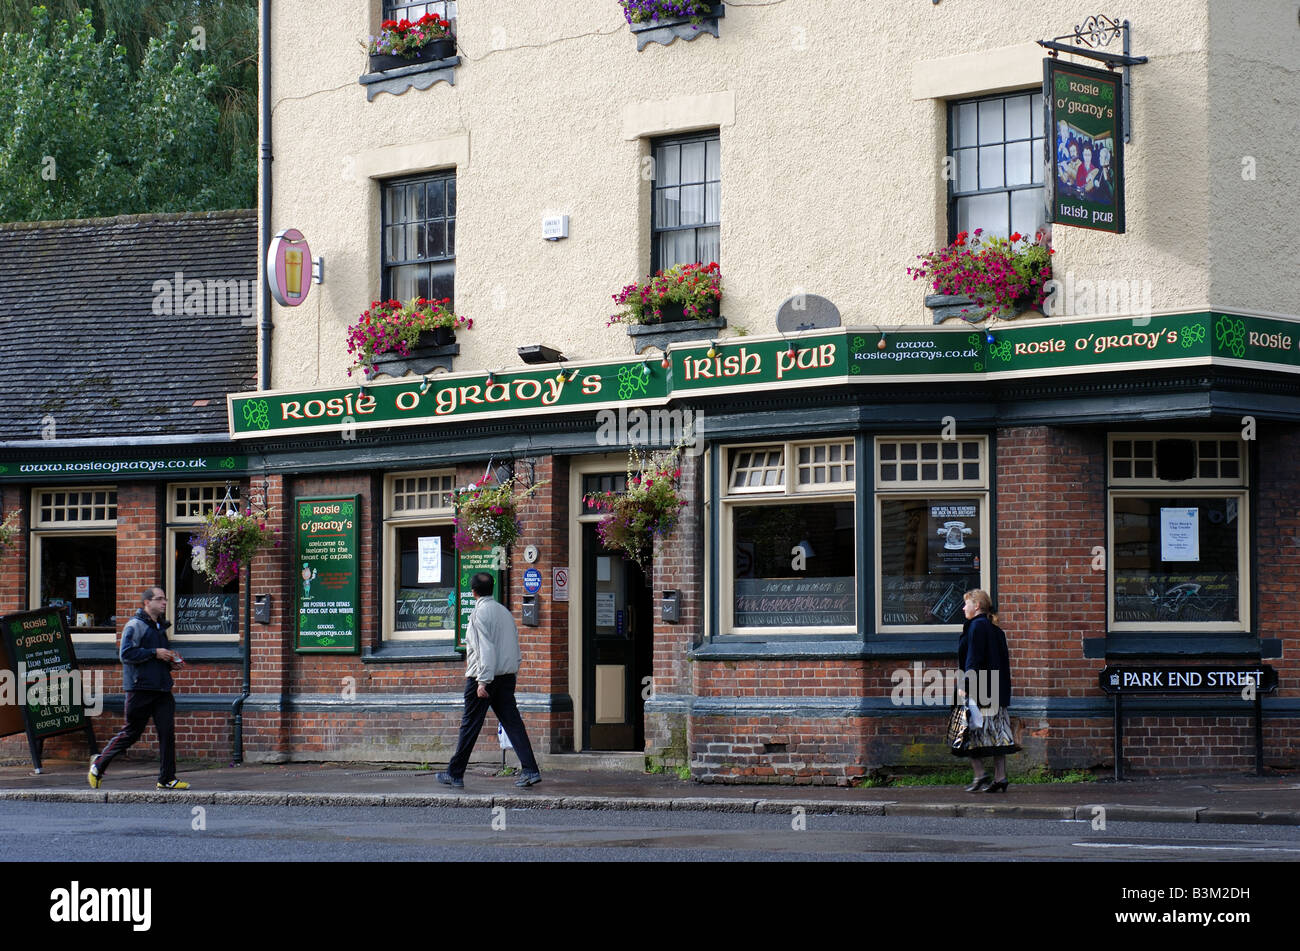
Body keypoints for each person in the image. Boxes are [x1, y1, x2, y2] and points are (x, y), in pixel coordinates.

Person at [437, 572, 541, 789]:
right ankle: (530, 770)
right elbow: (514, 647)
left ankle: (455, 774)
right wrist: (513, 672)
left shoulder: (478, 614)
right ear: (491, 589)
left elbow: (486, 650)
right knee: (513, 723)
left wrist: (482, 682)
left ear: (473, 592)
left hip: (483, 677)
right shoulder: (505, 612)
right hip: (506, 676)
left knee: (470, 725)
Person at [87, 587, 190, 790]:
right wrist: (155, 652)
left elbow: (156, 656)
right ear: (147, 603)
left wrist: (170, 662)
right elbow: (126, 654)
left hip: (161, 689)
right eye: (159, 599)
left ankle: (167, 779)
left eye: (165, 599)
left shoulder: (159, 627)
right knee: (132, 733)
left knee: (167, 733)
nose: (164, 603)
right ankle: (99, 764)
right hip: (139, 689)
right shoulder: (135, 625)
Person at [954, 589, 1019, 792]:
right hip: (996, 689)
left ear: (977, 606)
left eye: (967, 604)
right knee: (997, 734)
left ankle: (980, 774)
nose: (964, 608)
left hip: (979, 688)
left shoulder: (975, 627)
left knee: (967, 732)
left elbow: (973, 658)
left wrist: (965, 685)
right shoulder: (995, 629)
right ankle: (1000, 778)